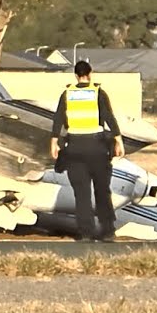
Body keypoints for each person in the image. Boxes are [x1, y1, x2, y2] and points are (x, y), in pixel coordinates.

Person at [50, 60, 125, 242]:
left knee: (81, 194)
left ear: (76, 75)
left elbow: (58, 118)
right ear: (90, 73)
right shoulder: (98, 92)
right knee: (102, 190)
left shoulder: (67, 93)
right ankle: (107, 231)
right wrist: (118, 139)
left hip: (74, 148)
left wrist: (54, 142)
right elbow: (108, 116)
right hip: (97, 148)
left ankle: (85, 233)